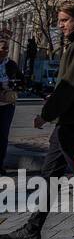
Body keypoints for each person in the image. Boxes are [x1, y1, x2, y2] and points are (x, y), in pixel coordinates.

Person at [0, 1, 74, 239]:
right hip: (71, 121)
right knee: (50, 176)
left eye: (64, 20)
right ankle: (33, 229)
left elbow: (70, 85)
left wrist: (46, 113)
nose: (60, 25)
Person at [0, 39, 22, 172]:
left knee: (3, 135)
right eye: (3, 48)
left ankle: (0, 164)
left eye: (7, 48)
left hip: (7, 105)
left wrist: (14, 87)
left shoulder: (11, 64)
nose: (5, 50)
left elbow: (21, 80)